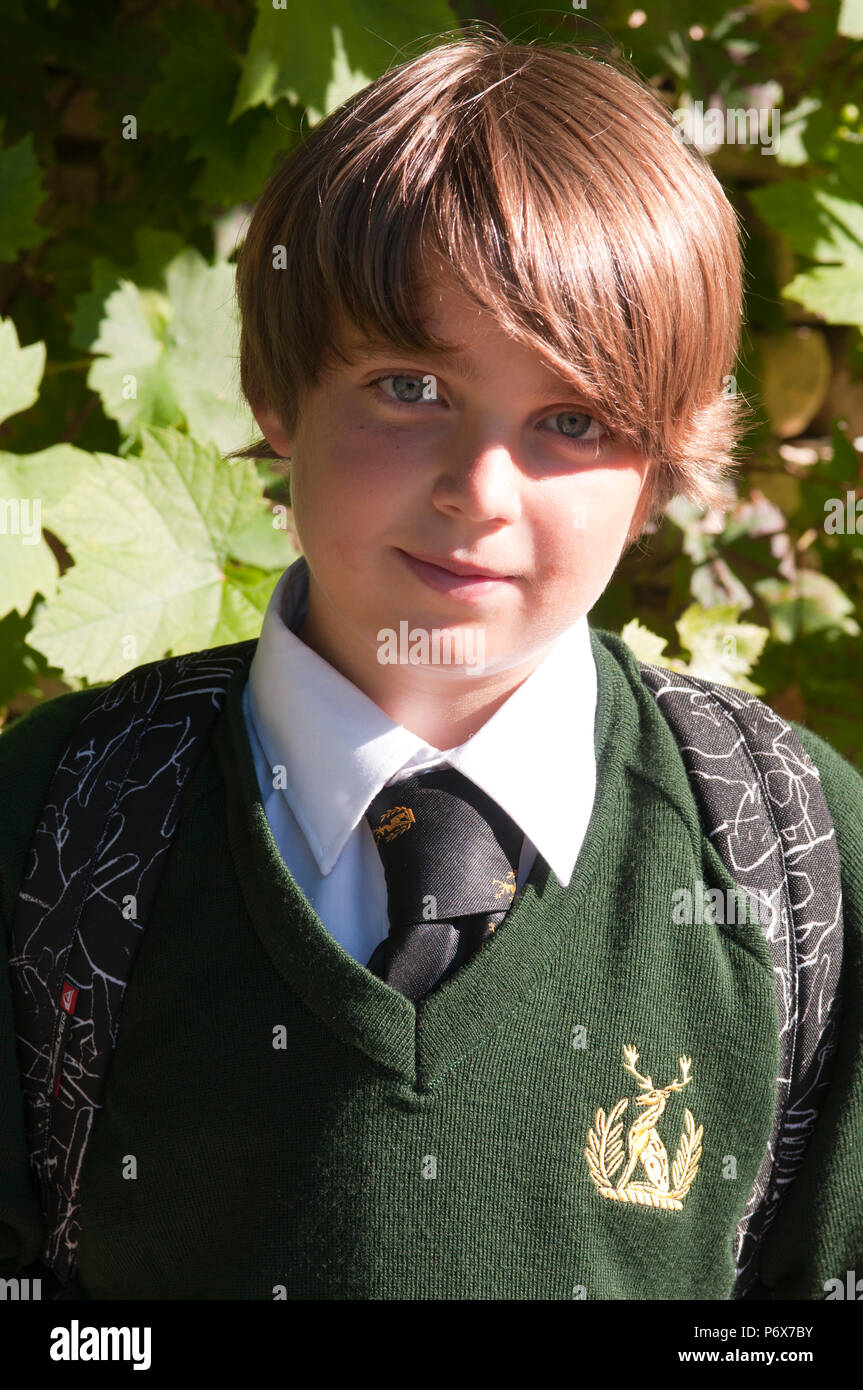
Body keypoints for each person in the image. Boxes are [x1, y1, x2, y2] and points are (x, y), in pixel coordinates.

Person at [1, 29, 861, 1301]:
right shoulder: (51, 830)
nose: (476, 490)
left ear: (660, 472)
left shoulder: (800, 866)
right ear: (276, 395)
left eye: (571, 420)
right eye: (408, 386)